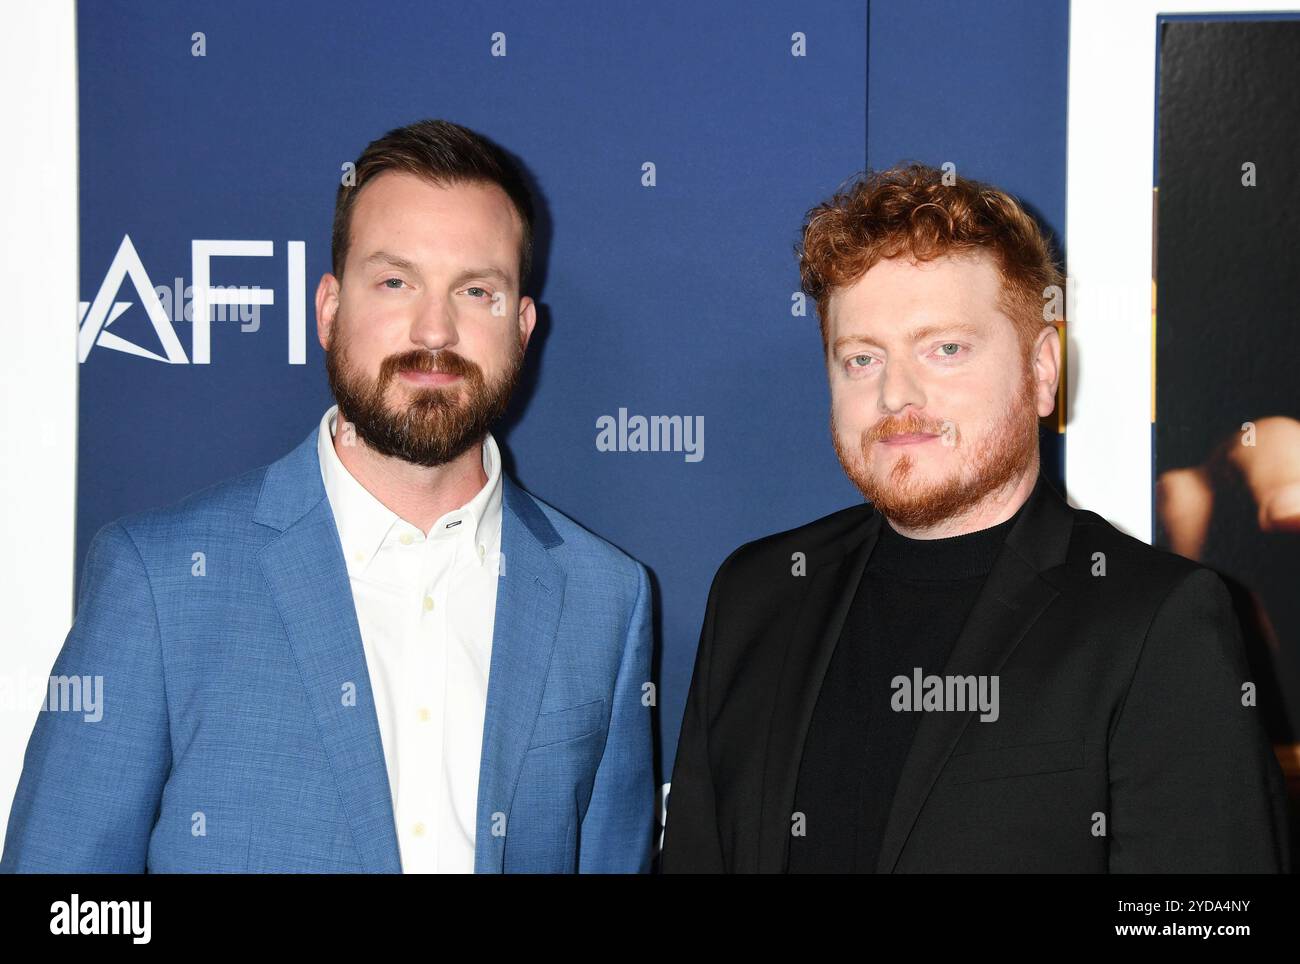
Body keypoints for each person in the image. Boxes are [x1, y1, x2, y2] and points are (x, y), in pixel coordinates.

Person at [2, 119, 653, 874]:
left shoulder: (606, 599)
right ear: (328, 310)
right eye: (395, 281)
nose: (434, 330)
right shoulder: (161, 582)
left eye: (477, 291)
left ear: (523, 327)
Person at [660, 163, 1289, 873]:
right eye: (861, 358)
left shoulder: (1156, 620)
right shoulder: (757, 593)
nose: (897, 394)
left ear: (1043, 369)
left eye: (946, 349)